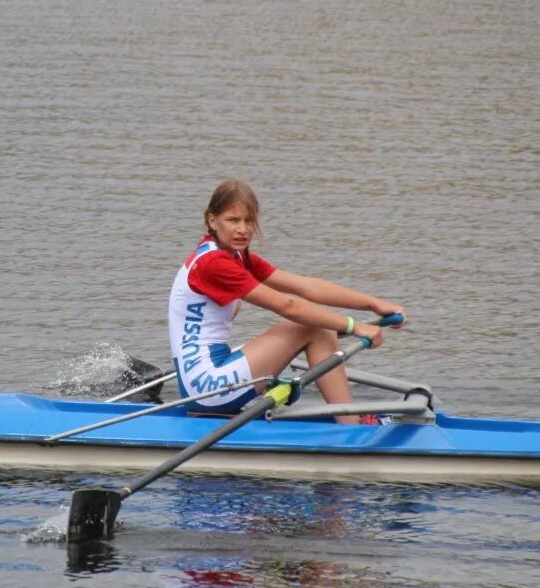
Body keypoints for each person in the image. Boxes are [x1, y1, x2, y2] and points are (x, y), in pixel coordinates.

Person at [168, 179, 405, 425]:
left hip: (209, 377)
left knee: (320, 326)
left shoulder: (232, 255)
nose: (242, 229)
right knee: (314, 327)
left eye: (248, 221)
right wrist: (354, 326)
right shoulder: (214, 263)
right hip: (207, 388)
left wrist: (373, 304)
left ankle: (348, 417)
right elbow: (287, 307)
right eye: (233, 220)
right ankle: (351, 424)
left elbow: (304, 286)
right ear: (212, 221)